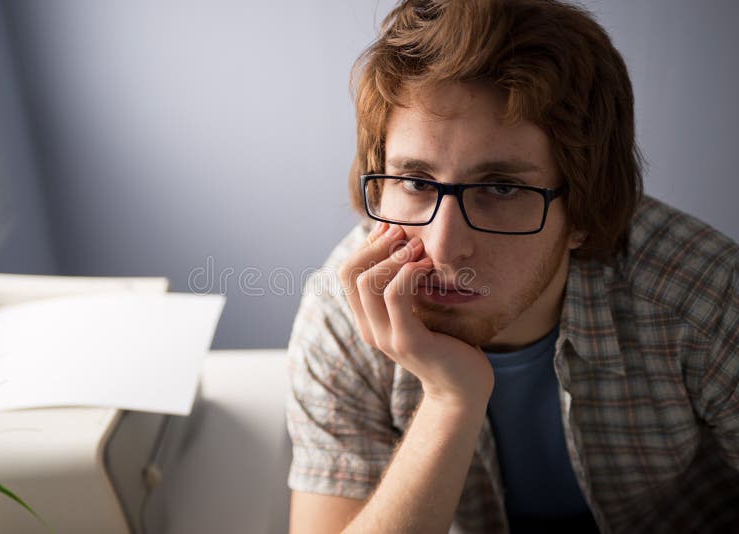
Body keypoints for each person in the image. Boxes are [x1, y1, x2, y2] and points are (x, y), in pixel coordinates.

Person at [285, 1, 739, 532]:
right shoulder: (341, 318)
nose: (445, 247)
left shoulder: (707, 298)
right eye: (415, 182)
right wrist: (450, 399)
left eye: (501, 188)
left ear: (583, 213)